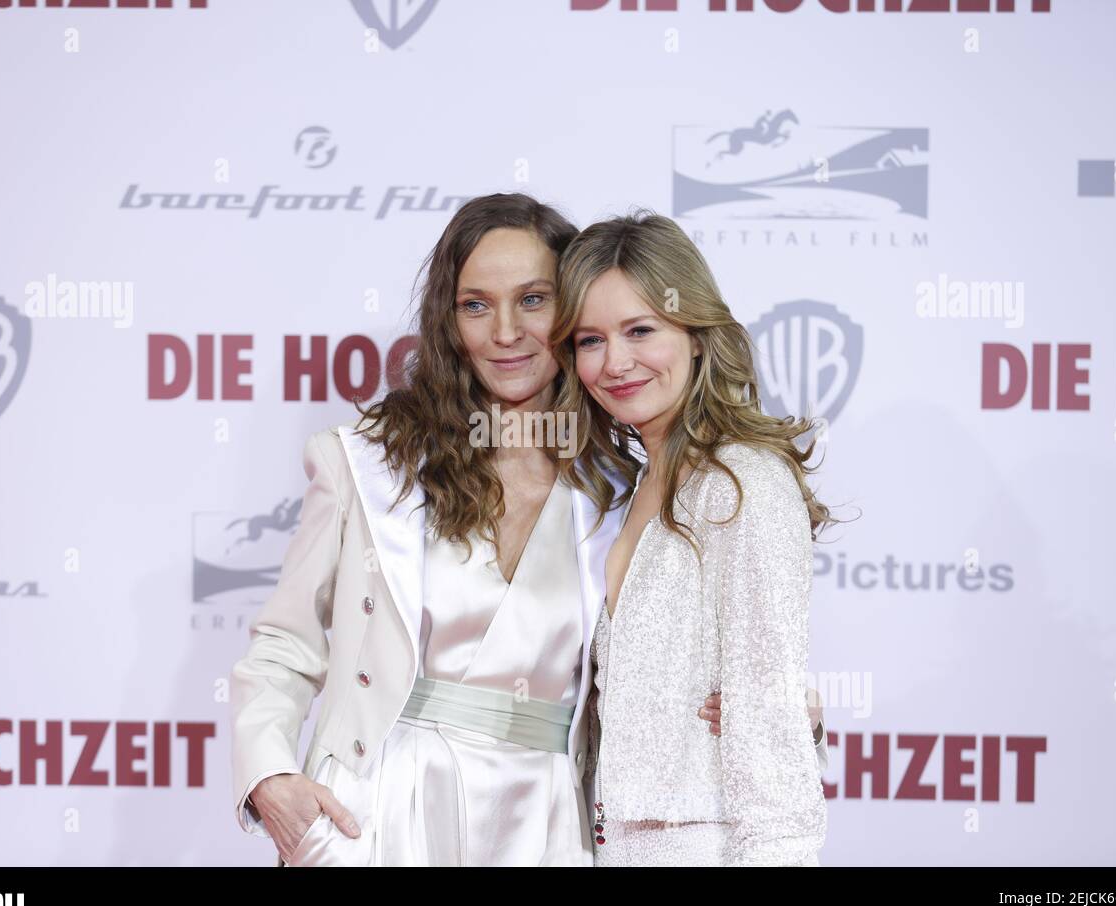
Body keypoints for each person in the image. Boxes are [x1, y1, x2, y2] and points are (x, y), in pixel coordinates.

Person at [229, 194, 816, 866]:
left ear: (569, 311)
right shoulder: (366, 463)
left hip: (546, 824)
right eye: (475, 305)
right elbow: (283, 640)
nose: (505, 331)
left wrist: (771, 704)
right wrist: (268, 774)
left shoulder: (623, 483)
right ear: (447, 322)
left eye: (533, 300)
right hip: (380, 815)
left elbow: (653, 665)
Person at [553, 210, 832, 866]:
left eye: (640, 330)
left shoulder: (742, 483)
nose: (614, 362)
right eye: (589, 340)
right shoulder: (624, 488)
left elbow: (769, 732)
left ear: (699, 335)